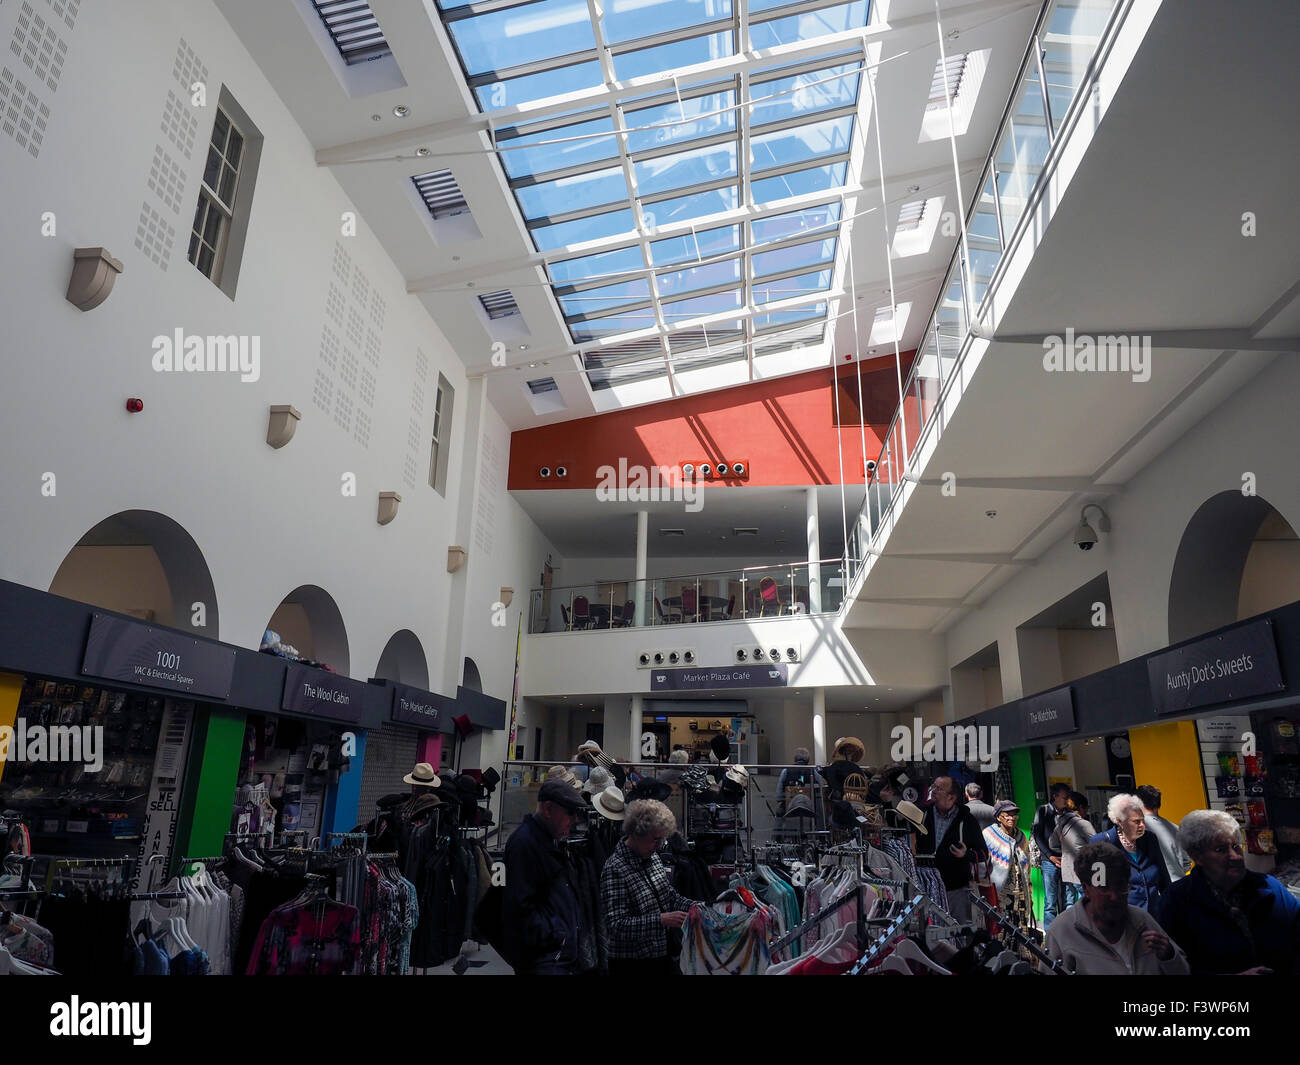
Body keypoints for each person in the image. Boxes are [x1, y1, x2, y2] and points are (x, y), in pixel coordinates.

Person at [1157, 809, 1300, 975]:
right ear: (1197, 856)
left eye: (1236, 847)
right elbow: (1178, 967)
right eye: (1221, 850)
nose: (1236, 856)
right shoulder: (1176, 901)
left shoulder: (1269, 887)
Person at [1045, 842, 1189, 975]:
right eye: (1104, 888)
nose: (1114, 896)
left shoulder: (1142, 921)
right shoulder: (1062, 932)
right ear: (1086, 888)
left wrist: (1169, 956)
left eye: (1120, 887)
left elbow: (1183, 971)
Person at [599, 799, 699, 976]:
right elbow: (615, 925)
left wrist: (699, 908)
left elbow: (668, 895)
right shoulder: (615, 868)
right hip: (631, 965)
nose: (659, 846)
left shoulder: (652, 858)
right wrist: (661, 919)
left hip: (660, 957)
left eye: (661, 840)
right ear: (636, 833)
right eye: (655, 840)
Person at [502, 780, 589, 975]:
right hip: (544, 961)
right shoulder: (525, 844)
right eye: (570, 812)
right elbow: (519, 907)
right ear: (549, 809)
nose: (575, 820)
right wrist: (558, 936)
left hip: (553, 958)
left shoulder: (546, 840)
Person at [915, 776, 988, 925]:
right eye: (933, 786)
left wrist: (965, 854)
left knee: (957, 931)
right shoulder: (922, 814)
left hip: (955, 891)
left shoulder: (967, 820)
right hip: (925, 888)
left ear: (951, 797)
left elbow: (983, 854)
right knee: (929, 934)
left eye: (939, 788)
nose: (933, 791)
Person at [1090, 793, 1170, 912]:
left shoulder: (1150, 839)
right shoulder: (1101, 843)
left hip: (1153, 916)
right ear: (1119, 821)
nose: (1142, 825)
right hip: (1122, 916)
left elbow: (1164, 878)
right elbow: (1097, 886)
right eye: (1136, 822)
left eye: (1143, 820)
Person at [983, 799, 1033, 924]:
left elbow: (1028, 866)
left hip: (1020, 891)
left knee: (1020, 929)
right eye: (1008, 815)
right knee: (1001, 928)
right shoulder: (989, 835)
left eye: (1014, 814)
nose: (1012, 818)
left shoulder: (1021, 836)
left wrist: (1029, 893)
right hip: (1000, 893)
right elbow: (983, 865)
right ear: (999, 818)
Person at [1032, 783, 1070, 930]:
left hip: (1067, 860)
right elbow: (1037, 835)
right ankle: (1051, 933)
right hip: (1049, 861)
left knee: (1068, 898)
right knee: (1050, 901)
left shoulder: (1068, 813)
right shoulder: (1043, 811)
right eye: (1064, 797)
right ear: (1055, 797)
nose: (1067, 801)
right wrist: (1050, 856)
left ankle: (1067, 931)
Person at [1136, 784, 1191, 882]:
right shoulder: (1176, 828)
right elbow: (1186, 862)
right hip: (1178, 884)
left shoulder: (1136, 830)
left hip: (1155, 888)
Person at [1054, 791, 1096, 911]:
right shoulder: (1084, 824)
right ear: (1081, 807)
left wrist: (1064, 850)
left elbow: (1053, 843)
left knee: (1070, 902)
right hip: (1082, 869)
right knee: (1087, 901)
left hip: (1067, 869)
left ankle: (1069, 927)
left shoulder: (1061, 823)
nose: (1086, 811)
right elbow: (1097, 844)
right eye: (1086, 808)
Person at [777, 747, 814, 815]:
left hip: (789, 803)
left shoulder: (786, 770)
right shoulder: (812, 770)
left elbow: (780, 786)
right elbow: (820, 783)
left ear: (795, 758)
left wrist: (779, 800)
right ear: (807, 759)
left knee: (780, 812)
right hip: (809, 804)